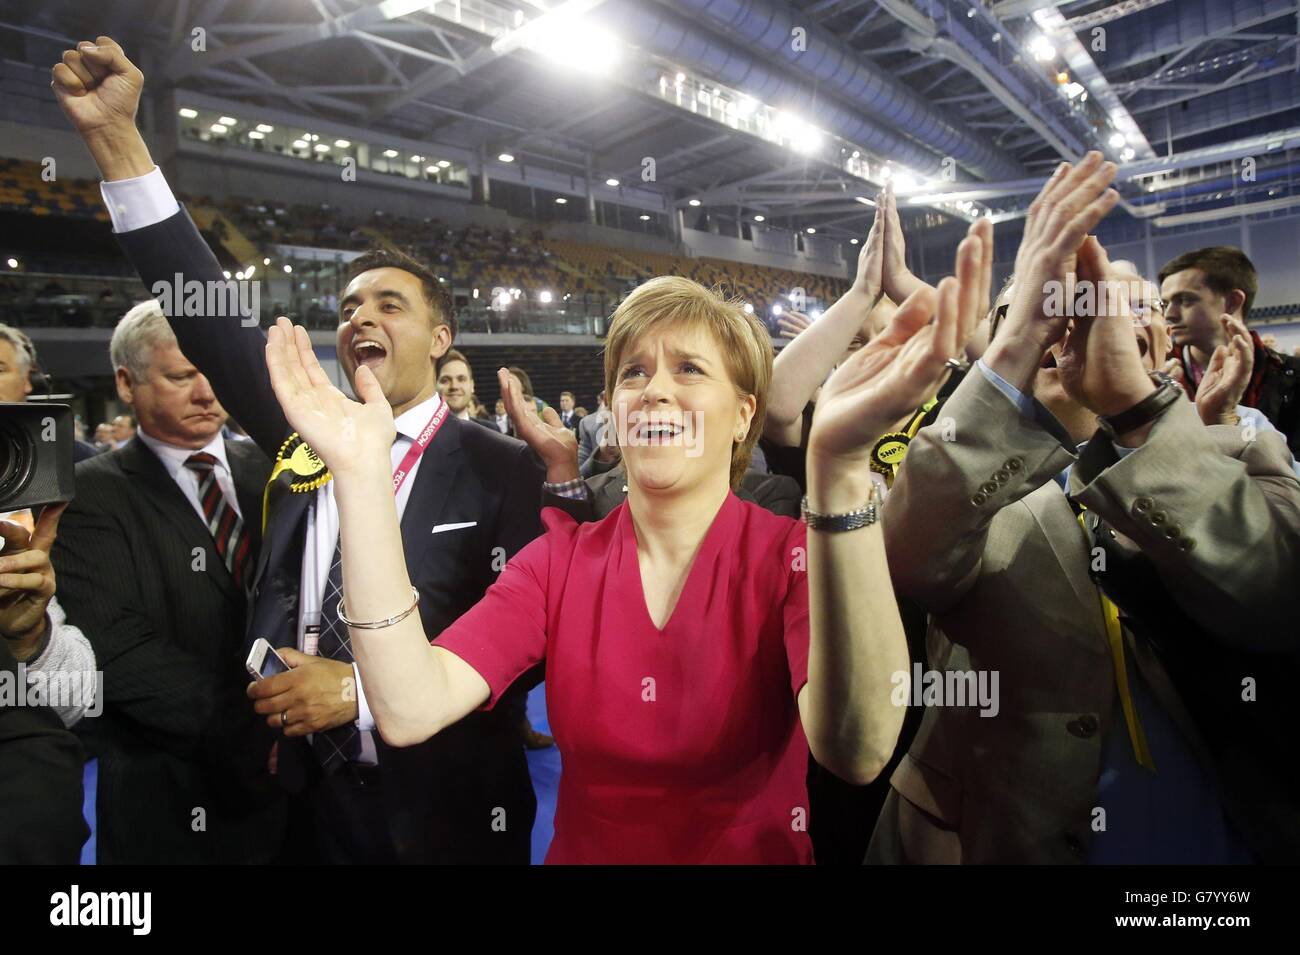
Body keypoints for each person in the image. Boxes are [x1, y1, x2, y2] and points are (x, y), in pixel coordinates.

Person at [259, 225, 991, 862]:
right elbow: (410, 704)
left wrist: (838, 474)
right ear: (610, 410)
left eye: (689, 369)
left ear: (743, 414)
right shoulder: (558, 559)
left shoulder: (790, 556)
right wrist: (360, 475)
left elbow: (858, 749)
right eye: (633, 372)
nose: (655, 390)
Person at [54, 35, 543, 863]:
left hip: (445, 810)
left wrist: (357, 691)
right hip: (296, 808)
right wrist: (119, 143)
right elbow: (208, 314)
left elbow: (526, 655)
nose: (361, 317)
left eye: (391, 303)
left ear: (442, 336)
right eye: (350, 305)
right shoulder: (304, 430)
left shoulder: (504, 464)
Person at [870, 153, 1300, 864]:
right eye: (1044, 304)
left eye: (1111, 306)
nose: (1072, 321)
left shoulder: (1241, 448)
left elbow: (1280, 597)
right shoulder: (971, 477)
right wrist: (1009, 351)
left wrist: (1140, 411)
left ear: (1159, 348)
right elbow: (910, 562)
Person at [50, 300, 285, 864]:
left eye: (214, 374)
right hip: (167, 794)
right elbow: (116, 647)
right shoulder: (83, 493)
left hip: (289, 800)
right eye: (183, 376)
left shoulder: (278, 473)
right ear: (127, 384)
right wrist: (268, 732)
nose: (207, 393)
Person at [1159, 246, 1300, 454]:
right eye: (1165, 303)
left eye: (1185, 300)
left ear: (1232, 301)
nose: (1169, 314)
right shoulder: (1157, 380)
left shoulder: (1293, 378)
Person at [435, 348, 493, 429]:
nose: (454, 386)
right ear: (435, 386)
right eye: (445, 380)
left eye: (461, 379)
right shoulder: (419, 434)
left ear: (472, 385)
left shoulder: (491, 430)